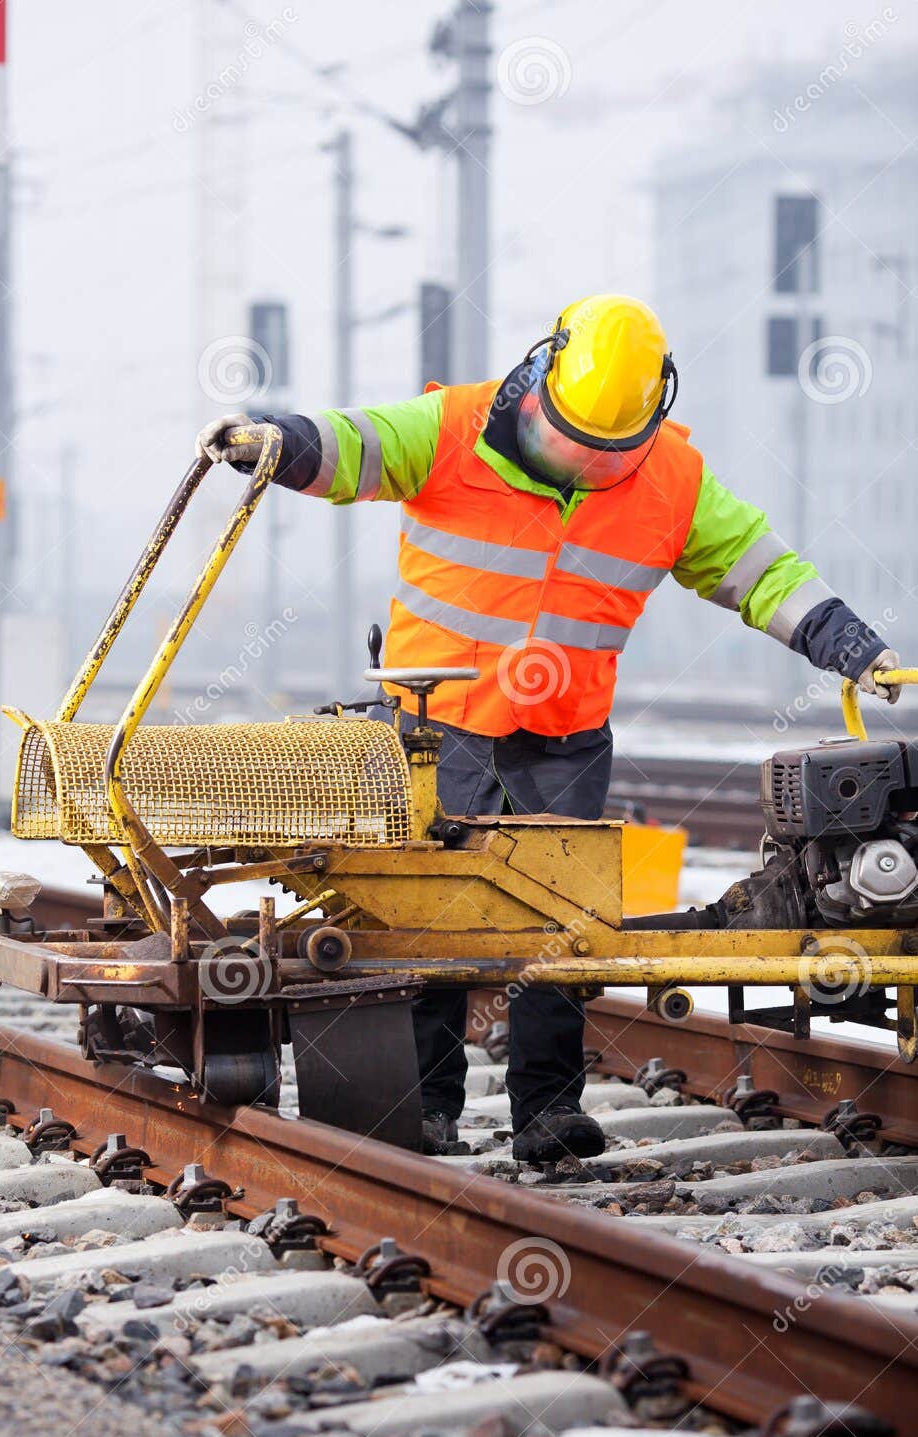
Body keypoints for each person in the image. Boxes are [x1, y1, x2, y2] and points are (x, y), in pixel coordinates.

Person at [196, 293, 902, 1164]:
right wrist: (280, 440)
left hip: (561, 738)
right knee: (424, 926)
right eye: (561, 435)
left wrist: (844, 640)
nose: (577, 459)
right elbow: (359, 445)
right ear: (538, 378)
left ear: (648, 426)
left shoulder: (672, 482)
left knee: (558, 941)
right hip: (432, 729)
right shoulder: (451, 428)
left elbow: (755, 569)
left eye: (604, 453)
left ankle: (546, 1113)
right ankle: (421, 1111)